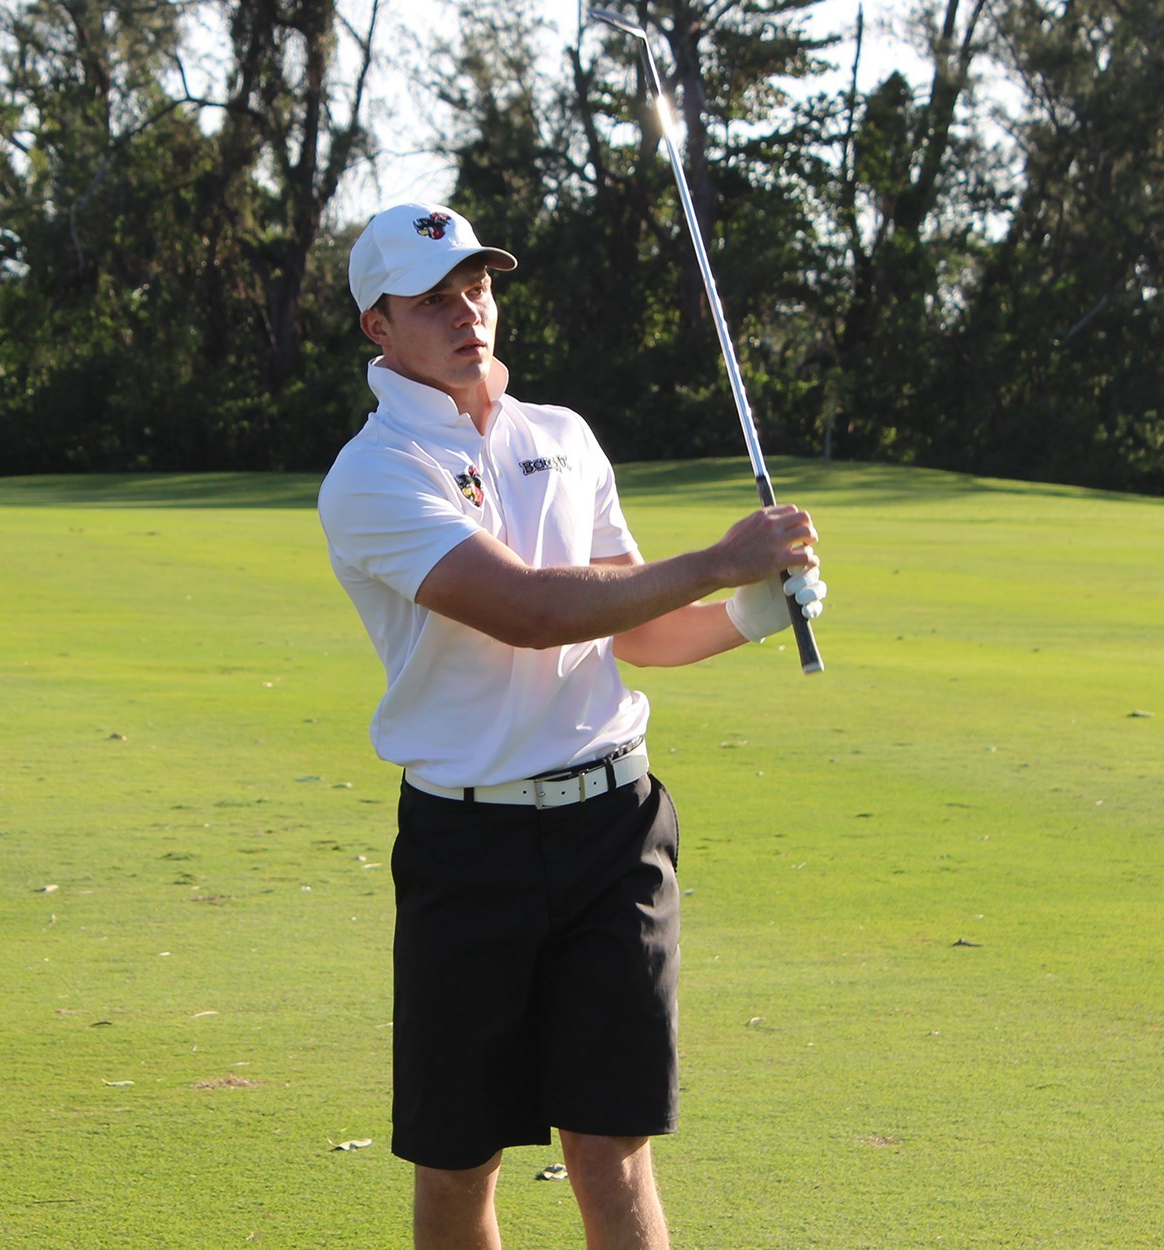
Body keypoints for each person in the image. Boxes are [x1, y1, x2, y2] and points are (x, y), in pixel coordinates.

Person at [316, 202, 827, 1250]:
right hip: (469, 845)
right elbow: (531, 610)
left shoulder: (561, 435)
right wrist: (718, 561)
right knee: (459, 1161)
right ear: (378, 325)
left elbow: (631, 628)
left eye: (477, 289)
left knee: (611, 1148)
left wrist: (747, 615)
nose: (468, 313)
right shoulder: (373, 473)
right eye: (433, 300)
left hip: (612, 830)